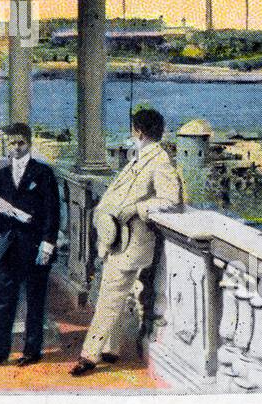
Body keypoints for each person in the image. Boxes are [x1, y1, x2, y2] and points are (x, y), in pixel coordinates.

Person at [70, 107, 183, 376]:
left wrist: (137, 208)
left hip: (132, 242)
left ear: (138, 131)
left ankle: (89, 355)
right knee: (114, 295)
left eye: (134, 129)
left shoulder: (159, 160)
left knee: (109, 297)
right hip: (118, 240)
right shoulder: (140, 157)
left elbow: (171, 200)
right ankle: (112, 348)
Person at [0, 122, 62, 367]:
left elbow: (53, 212)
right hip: (8, 247)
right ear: (7, 146)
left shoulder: (43, 173)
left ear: (29, 144)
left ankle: (32, 351)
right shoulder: (2, 175)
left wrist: (48, 243)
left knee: (35, 300)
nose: (16, 147)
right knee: (3, 300)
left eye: (21, 142)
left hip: (36, 247)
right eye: (12, 143)